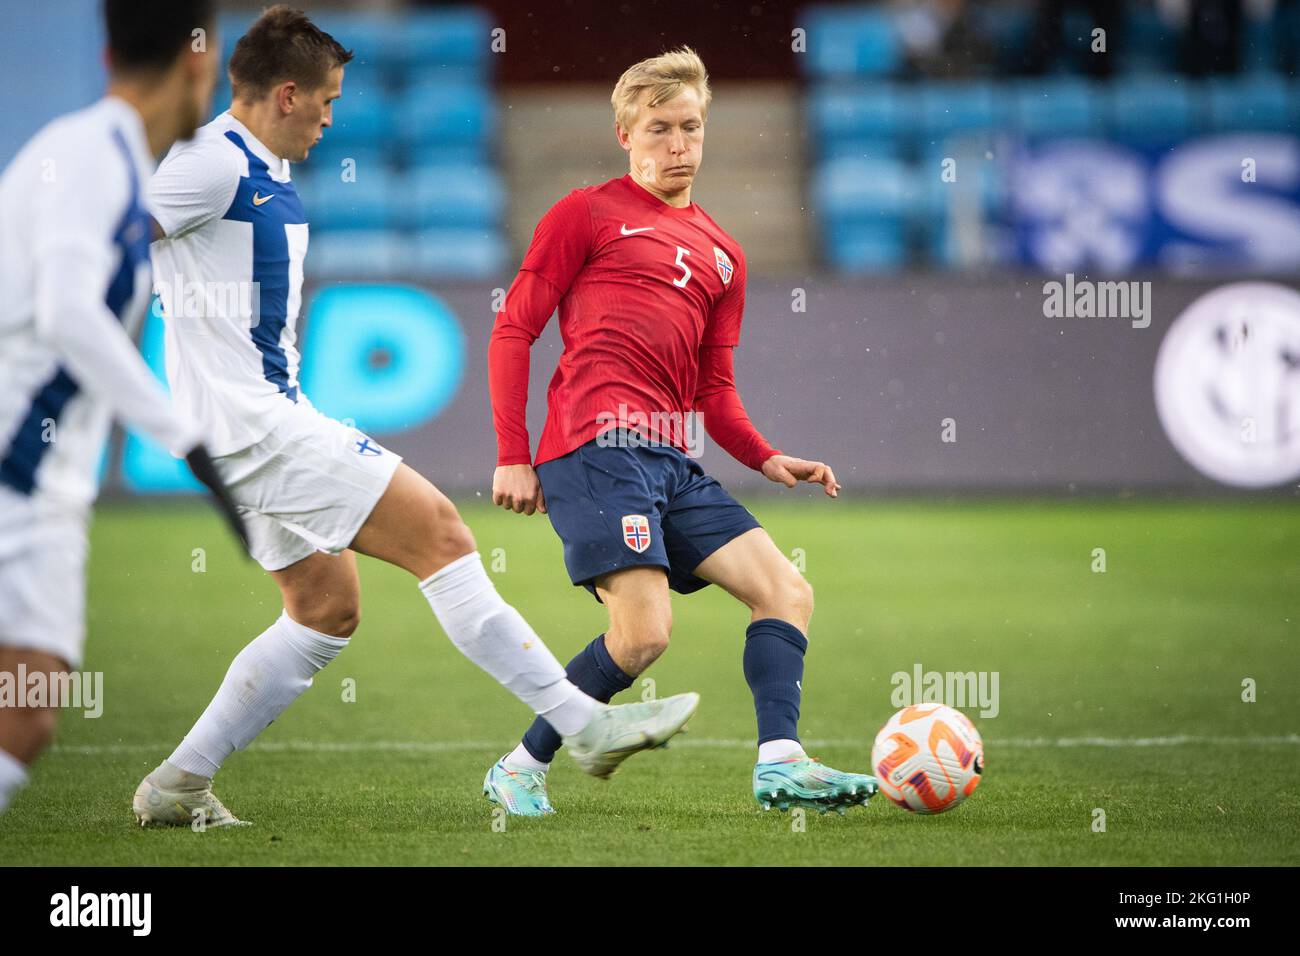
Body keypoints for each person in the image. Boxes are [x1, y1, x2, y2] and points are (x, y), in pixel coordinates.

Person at [133, 6, 697, 829]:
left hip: (240, 425)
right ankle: (586, 725)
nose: (331, 119)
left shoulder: (258, 170)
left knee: (325, 608)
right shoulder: (212, 165)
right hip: (252, 427)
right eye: (325, 102)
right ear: (286, 95)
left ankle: (180, 784)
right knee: (442, 534)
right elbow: (106, 236)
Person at [484, 48, 877, 816]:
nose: (677, 145)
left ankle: (780, 761)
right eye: (659, 129)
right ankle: (520, 766)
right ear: (625, 135)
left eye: (690, 127)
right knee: (642, 638)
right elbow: (513, 331)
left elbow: (714, 390)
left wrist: (765, 457)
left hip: (671, 459)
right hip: (594, 451)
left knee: (785, 590)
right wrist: (512, 454)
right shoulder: (584, 214)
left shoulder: (724, 255)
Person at [0, 0, 250, 818]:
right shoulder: (89, 159)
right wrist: (189, 444)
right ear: (197, 62)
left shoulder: (96, 158)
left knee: (25, 710)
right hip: (14, 475)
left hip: (42, 487)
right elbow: (72, 312)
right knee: (24, 711)